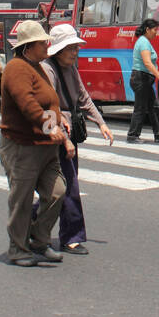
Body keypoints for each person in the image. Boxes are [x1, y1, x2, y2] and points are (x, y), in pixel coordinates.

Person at [0, 19, 74, 267]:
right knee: (21, 200)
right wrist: (50, 126)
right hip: (23, 146)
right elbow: (27, 105)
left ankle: (40, 240)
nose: (47, 44)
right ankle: (18, 248)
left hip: (45, 146)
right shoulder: (17, 68)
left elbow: (50, 101)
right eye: (43, 42)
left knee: (57, 192)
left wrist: (59, 126)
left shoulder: (39, 67)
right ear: (29, 46)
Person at [39, 23, 114, 255]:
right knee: (68, 185)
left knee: (62, 187)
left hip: (69, 132)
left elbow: (83, 98)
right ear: (58, 50)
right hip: (54, 132)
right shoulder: (47, 70)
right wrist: (64, 139)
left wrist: (101, 123)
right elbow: (48, 107)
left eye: (75, 47)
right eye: (70, 48)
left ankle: (29, 221)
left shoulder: (71, 68)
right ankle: (71, 237)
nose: (74, 52)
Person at [127, 18, 159, 143]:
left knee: (153, 106)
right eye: (155, 30)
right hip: (141, 78)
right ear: (147, 29)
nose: (156, 33)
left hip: (144, 78)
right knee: (140, 107)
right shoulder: (143, 42)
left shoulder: (145, 41)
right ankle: (133, 135)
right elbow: (147, 62)